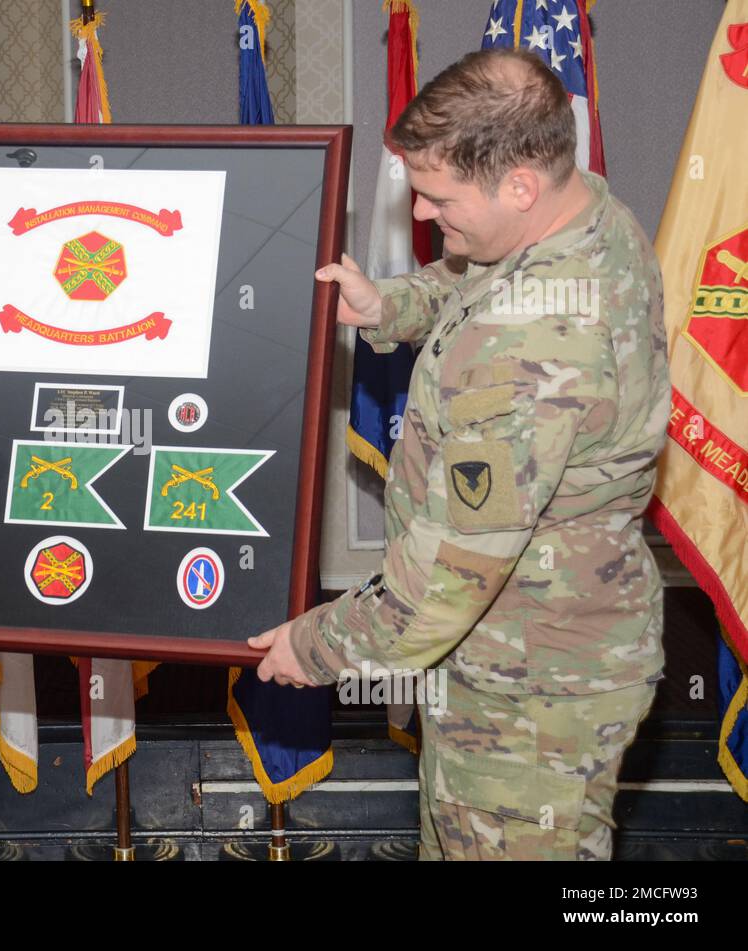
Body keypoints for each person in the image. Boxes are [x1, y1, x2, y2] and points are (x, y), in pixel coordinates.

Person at [250, 48, 669, 860]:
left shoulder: (524, 345)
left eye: (440, 200)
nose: (427, 218)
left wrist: (313, 646)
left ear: (519, 184)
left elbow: (440, 589)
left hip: (526, 699)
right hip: (551, 648)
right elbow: (482, 273)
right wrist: (389, 304)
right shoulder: (589, 216)